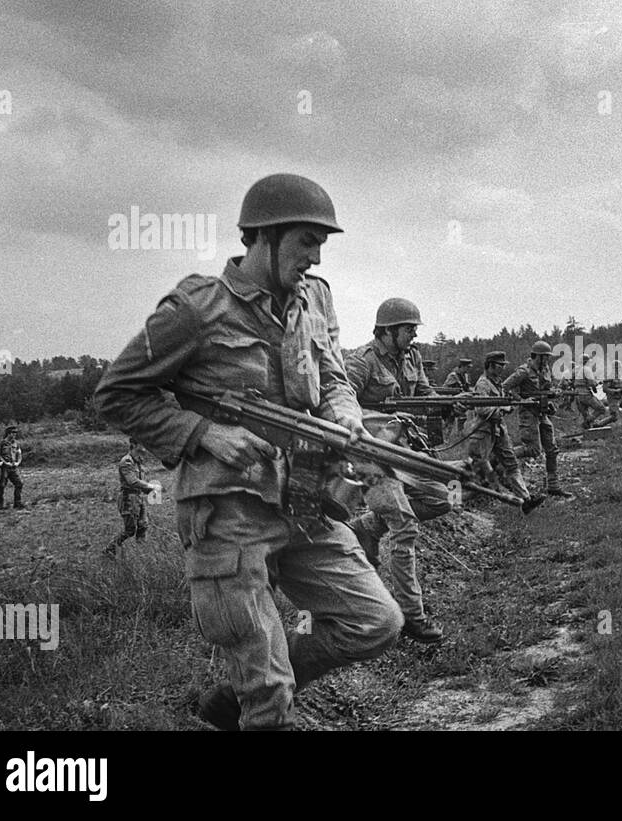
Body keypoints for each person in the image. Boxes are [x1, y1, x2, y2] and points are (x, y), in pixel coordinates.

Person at [93, 173, 402, 730]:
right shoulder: (196, 307)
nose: (315, 255)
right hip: (228, 514)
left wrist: (346, 416)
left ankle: (243, 698)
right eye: (307, 240)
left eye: (321, 243)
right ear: (264, 235)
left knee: (375, 620)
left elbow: (332, 376)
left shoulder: (310, 301)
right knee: (270, 696)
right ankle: (262, 700)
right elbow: (117, 392)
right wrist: (203, 433)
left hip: (303, 499)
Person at [343, 297, 454, 644]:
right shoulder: (361, 362)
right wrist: (383, 422)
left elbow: (423, 393)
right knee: (404, 525)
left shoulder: (412, 358)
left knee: (441, 499)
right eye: (408, 330)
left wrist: (450, 401)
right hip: (368, 455)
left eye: (414, 330)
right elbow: (339, 405)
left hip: (401, 450)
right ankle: (412, 617)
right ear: (388, 331)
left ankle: (367, 527)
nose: (413, 336)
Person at [466, 351, 542, 508]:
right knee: (473, 467)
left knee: (511, 463)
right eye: (499, 365)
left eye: (503, 365)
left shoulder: (497, 382)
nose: (502, 368)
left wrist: (509, 406)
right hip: (483, 431)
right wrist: (503, 409)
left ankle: (526, 500)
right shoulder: (483, 384)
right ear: (490, 366)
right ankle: (461, 502)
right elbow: (481, 410)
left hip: (499, 429)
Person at [501, 341, 571, 497]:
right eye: (545, 357)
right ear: (537, 356)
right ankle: (502, 458)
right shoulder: (523, 371)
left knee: (552, 450)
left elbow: (546, 389)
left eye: (548, 357)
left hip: (542, 413)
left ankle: (553, 486)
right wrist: (521, 399)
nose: (547, 360)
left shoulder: (545, 370)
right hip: (528, 413)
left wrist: (553, 395)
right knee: (533, 449)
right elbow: (504, 387)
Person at [105, 438, 157, 558]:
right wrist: (151, 486)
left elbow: (140, 482)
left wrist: (150, 490)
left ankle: (142, 554)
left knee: (143, 525)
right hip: (128, 498)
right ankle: (110, 549)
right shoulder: (126, 462)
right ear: (133, 445)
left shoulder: (138, 461)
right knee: (130, 530)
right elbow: (132, 481)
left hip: (138, 497)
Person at [564, 355, 610, 430]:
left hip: (577, 395)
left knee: (585, 414)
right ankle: (586, 423)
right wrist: (598, 382)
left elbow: (568, 380)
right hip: (585, 394)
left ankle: (587, 432)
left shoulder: (575, 369)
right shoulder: (586, 369)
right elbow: (592, 383)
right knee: (601, 409)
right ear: (586, 362)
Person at [0, 426, 25, 510]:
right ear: (8, 433)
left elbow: (19, 454)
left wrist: (17, 463)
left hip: (13, 467)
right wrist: (5, 463)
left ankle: (17, 503)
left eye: (15, 432)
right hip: (4, 468)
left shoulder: (16, 443)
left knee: (19, 483)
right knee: (1, 485)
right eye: (13, 432)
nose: (15, 434)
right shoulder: (2, 443)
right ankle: (0, 505)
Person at [443, 358, 474, 437]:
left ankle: (458, 434)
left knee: (459, 417)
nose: (468, 369)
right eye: (467, 367)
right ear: (462, 366)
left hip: (460, 399)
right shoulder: (453, 376)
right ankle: (446, 436)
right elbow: (445, 389)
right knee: (450, 419)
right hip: (450, 400)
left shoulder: (465, 375)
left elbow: (466, 387)